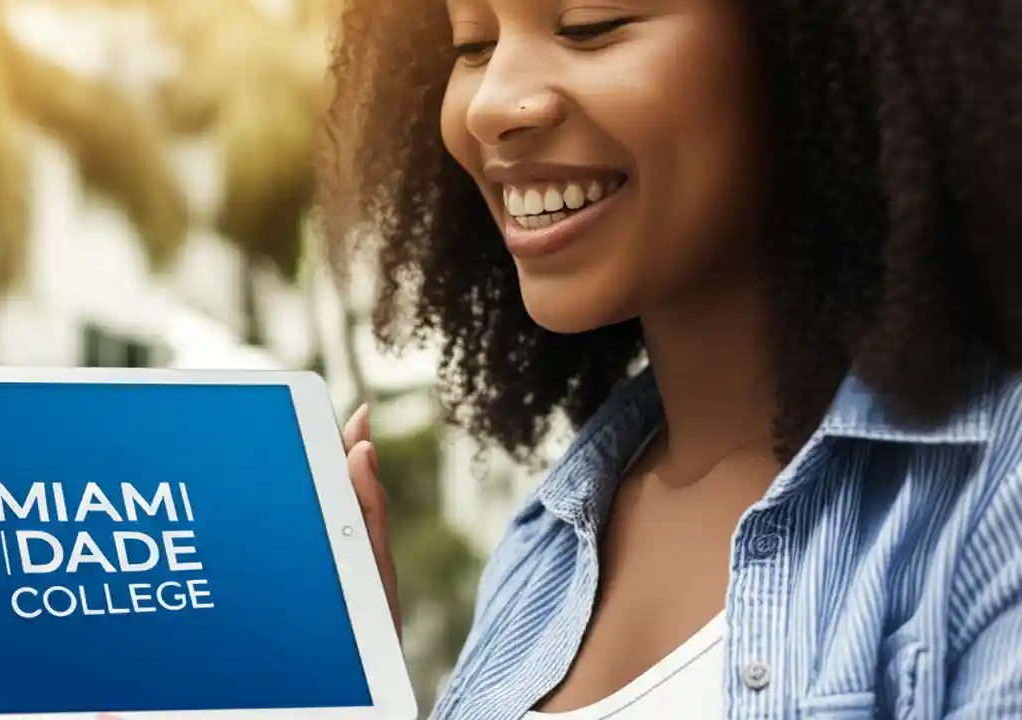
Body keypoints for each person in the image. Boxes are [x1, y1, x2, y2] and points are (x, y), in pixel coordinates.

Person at [317, 0, 1022, 717]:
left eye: (588, 26)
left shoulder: (996, 496)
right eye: (472, 44)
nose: (492, 103)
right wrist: (346, 691)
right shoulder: (543, 548)